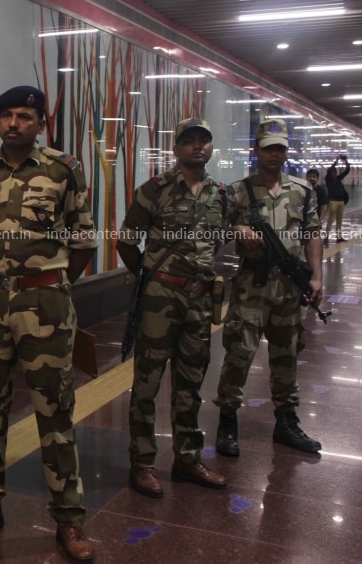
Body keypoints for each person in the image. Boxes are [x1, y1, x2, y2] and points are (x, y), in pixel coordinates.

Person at [0, 86, 96, 562]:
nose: (13, 123)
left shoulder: (63, 169)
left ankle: (69, 519)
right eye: (6, 116)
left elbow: (84, 238)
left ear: (39, 123)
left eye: (24, 116)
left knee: (54, 410)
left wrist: (48, 285)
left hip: (44, 301)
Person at [116, 117, 228, 500]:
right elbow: (126, 242)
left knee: (191, 382)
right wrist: (153, 277)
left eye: (204, 141)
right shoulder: (154, 190)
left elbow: (220, 243)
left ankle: (187, 458)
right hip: (161, 298)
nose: (198, 146)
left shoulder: (221, 195)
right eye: (189, 141)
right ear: (176, 148)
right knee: (147, 382)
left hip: (199, 300)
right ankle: (143, 464)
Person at [214, 118, 323, 457]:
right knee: (240, 352)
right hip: (251, 285)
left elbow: (312, 234)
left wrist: (317, 277)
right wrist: (238, 229)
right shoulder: (238, 191)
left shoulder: (302, 192)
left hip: (289, 287)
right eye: (268, 148)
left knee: (287, 353)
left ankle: (287, 421)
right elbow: (216, 231)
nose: (275, 154)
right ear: (256, 150)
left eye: (280, 148)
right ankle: (228, 419)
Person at [325, 154, 351, 242]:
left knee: (339, 220)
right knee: (330, 219)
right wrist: (336, 161)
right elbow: (330, 169)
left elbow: (347, 171)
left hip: (341, 202)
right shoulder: (328, 179)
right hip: (333, 202)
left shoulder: (338, 179)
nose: (334, 173)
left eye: (335, 172)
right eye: (333, 171)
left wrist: (346, 162)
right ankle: (326, 237)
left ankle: (339, 237)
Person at [305, 168, 328, 239]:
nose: (311, 178)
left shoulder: (321, 191)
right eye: (309, 177)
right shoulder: (302, 189)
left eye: (314, 177)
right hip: (303, 219)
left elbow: (324, 207)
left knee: (314, 239)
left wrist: (320, 220)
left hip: (315, 219)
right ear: (306, 178)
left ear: (317, 178)